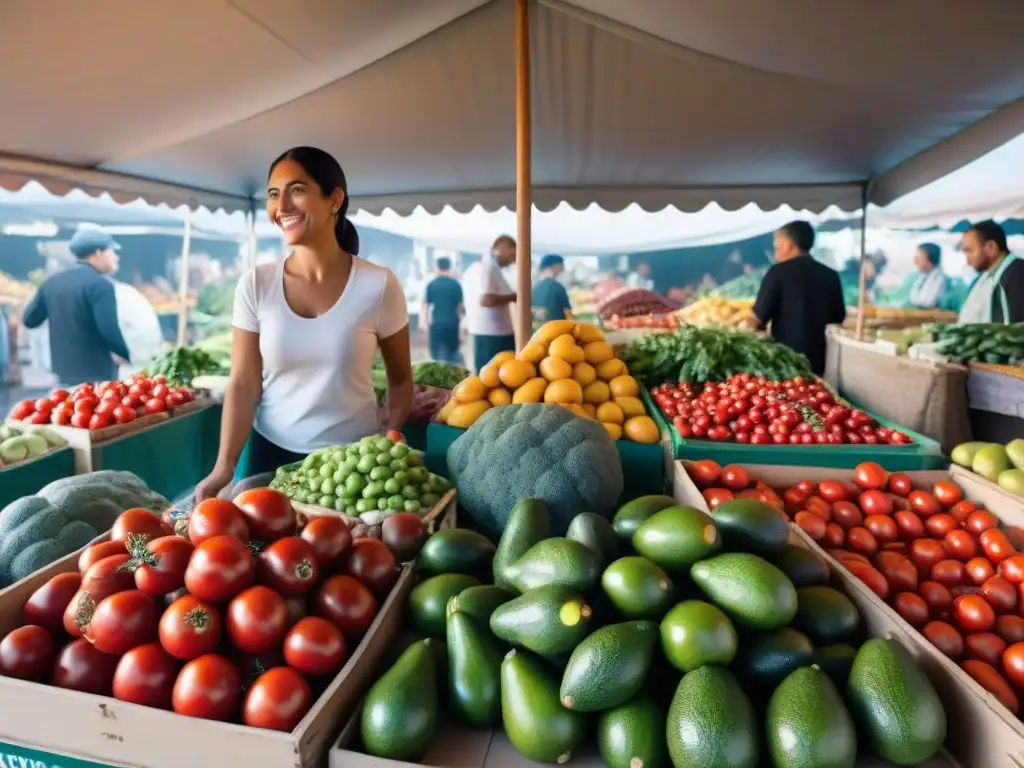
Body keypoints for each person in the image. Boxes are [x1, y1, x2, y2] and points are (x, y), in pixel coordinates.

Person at [194, 147, 413, 501]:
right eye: (274, 194)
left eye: (297, 190)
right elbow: (243, 383)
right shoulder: (256, 284)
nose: (282, 207)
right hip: (270, 455)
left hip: (353, 465)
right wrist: (223, 468)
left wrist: (392, 430)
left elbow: (401, 380)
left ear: (334, 200)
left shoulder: (380, 285)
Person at [22, 226, 132, 388]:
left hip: (62, 376)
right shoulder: (100, 285)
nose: (116, 258)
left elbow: (30, 320)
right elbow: (108, 329)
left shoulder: (52, 282)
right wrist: (126, 355)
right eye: (112, 252)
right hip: (97, 378)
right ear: (98, 253)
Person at [753, 220, 846, 376]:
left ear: (788, 245)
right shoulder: (831, 275)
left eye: (776, 247)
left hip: (786, 360)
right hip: (820, 360)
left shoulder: (777, 273)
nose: (775, 253)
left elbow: (759, 317)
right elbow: (838, 317)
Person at [463, 235, 517, 372]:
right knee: (493, 377)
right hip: (493, 335)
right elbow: (486, 300)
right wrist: (514, 296)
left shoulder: (483, 268)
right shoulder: (486, 269)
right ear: (503, 249)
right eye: (513, 253)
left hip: (490, 333)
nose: (514, 259)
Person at [958, 220, 1024, 324]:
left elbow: (1013, 332)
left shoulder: (1016, 275)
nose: (967, 261)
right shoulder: (988, 274)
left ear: (991, 247)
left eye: (969, 251)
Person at [422, 256, 463, 364]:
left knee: (435, 356)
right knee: (453, 356)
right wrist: (462, 330)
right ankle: (454, 379)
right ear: (450, 267)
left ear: (437, 267)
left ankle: (436, 379)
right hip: (453, 324)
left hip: (436, 324)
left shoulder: (431, 285)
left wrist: (424, 325)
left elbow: (426, 307)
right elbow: (460, 307)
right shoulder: (455, 284)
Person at [532, 254, 572, 326]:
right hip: (558, 329)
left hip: (540, 330)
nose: (563, 269)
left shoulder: (535, 287)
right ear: (555, 266)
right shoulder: (558, 287)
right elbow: (568, 312)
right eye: (561, 266)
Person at [908, 243, 949, 309]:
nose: (915, 262)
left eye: (918, 258)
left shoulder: (939, 279)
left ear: (929, 260)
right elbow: (913, 298)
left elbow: (928, 302)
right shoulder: (921, 276)